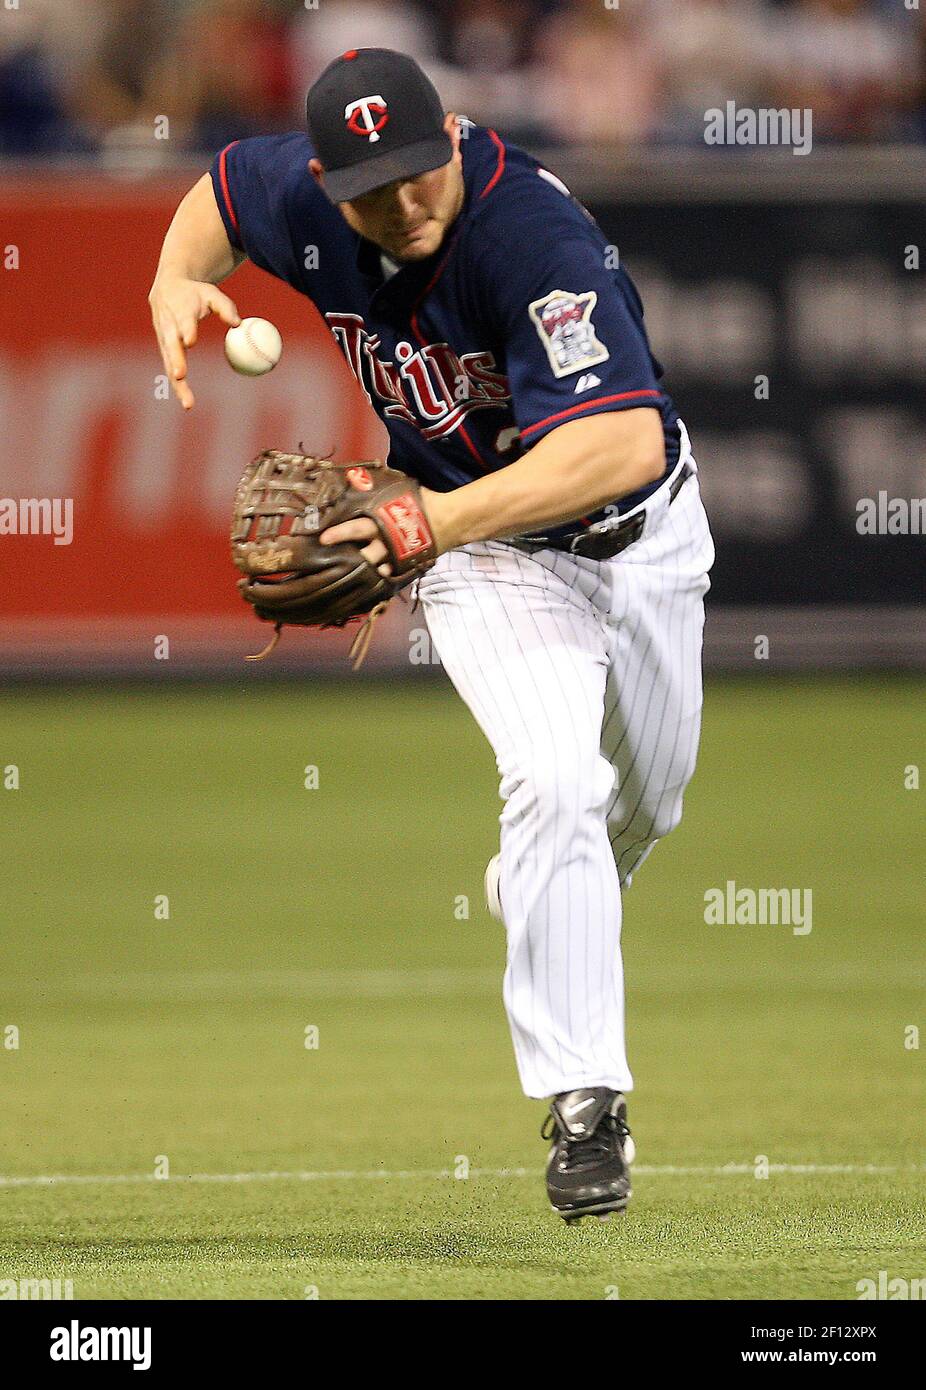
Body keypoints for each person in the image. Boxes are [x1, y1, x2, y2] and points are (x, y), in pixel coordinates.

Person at [148, 47, 715, 1223]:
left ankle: (540, 884)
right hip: (488, 560)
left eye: (418, 171)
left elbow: (621, 449)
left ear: (452, 134)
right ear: (327, 175)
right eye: (372, 187)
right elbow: (219, 195)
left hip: (636, 537)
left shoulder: (531, 242)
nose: (402, 203)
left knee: (641, 806)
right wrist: (172, 279)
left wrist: (430, 514)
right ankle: (582, 1103)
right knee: (555, 779)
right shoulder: (307, 192)